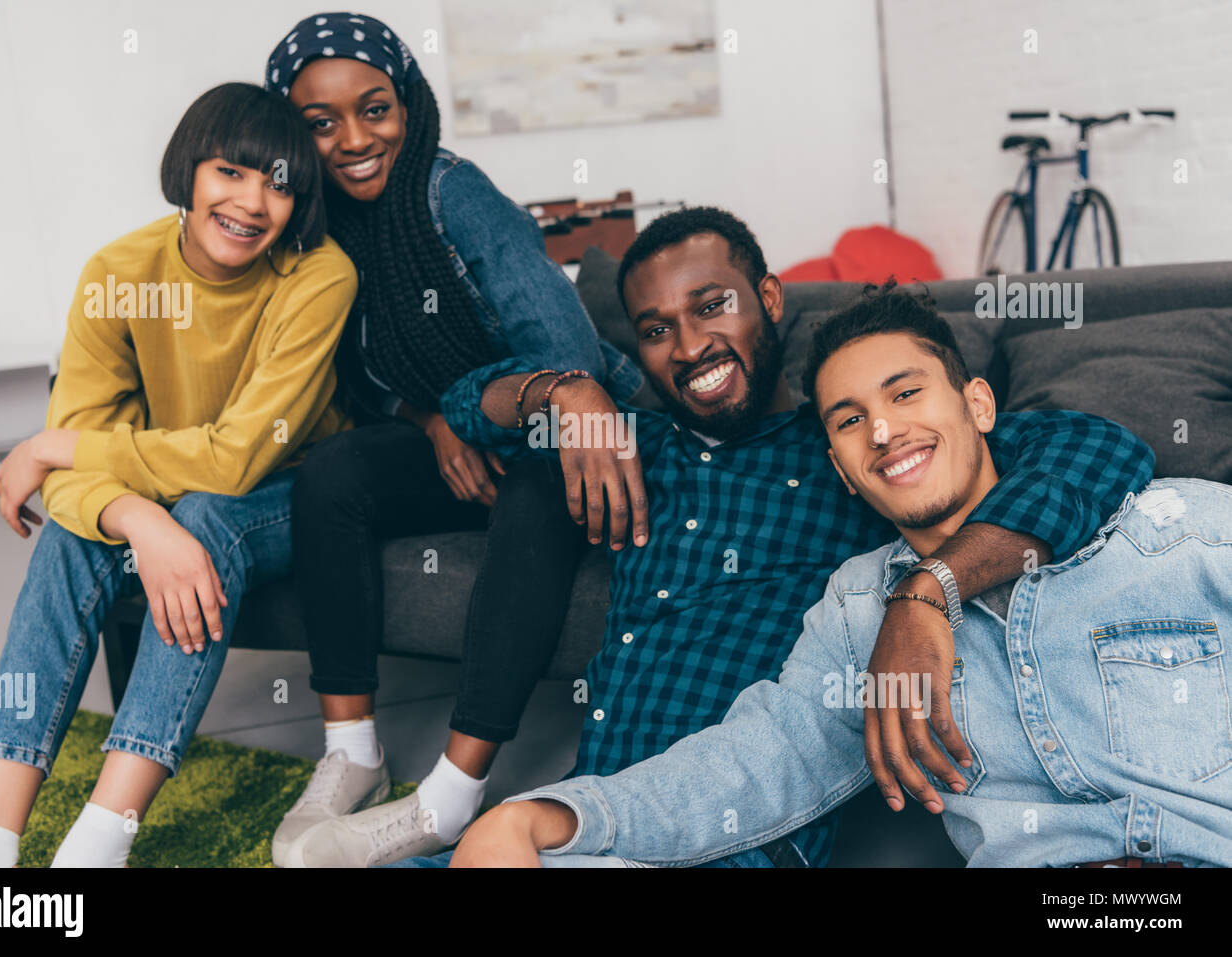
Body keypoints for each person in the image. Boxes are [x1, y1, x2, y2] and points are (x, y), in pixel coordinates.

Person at [312, 206, 1154, 868]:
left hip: (737, 834)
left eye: (712, 305)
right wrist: (567, 391)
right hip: (596, 807)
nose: (689, 345)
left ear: (771, 300)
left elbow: (1097, 447)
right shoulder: (642, 441)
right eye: (655, 329)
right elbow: (469, 404)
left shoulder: (852, 450)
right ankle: (452, 797)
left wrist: (928, 589)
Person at [449, 284, 1232, 868]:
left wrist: (931, 590)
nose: (884, 430)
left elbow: (1089, 446)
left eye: (905, 392)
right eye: (850, 419)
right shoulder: (858, 609)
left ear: (981, 405)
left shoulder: (1181, 533)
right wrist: (552, 814)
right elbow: (758, 762)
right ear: (842, 471)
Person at [263, 13, 646, 868]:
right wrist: (432, 421)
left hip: (560, 431)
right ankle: (352, 750)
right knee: (332, 475)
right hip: (464, 438)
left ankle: (451, 794)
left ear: (411, 106)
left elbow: (569, 363)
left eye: (376, 109)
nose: (355, 140)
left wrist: (470, 413)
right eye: (321, 123)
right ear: (292, 132)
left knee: (539, 479)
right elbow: (360, 379)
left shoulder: (451, 194)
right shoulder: (312, 228)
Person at [0, 82, 356, 868]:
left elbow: (235, 458)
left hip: (296, 492)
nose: (252, 201)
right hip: (171, 492)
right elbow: (72, 474)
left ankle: (100, 841)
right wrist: (137, 517)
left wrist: (55, 446)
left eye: (280, 183)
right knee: (76, 534)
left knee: (204, 513)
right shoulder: (120, 269)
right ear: (191, 169)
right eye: (233, 171)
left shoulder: (318, 275)